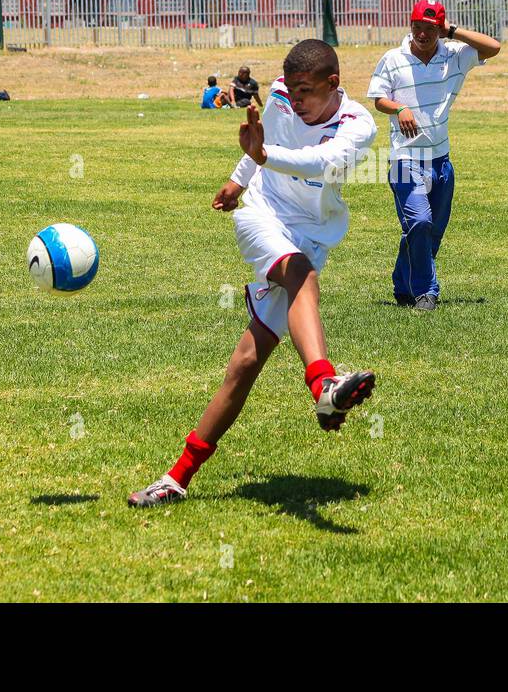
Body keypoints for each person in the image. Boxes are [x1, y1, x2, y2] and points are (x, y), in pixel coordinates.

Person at [128, 40, 378, 507]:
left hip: (313, 235)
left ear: (333, 84)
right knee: (300, 274)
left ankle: (176, 478)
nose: (296, 100)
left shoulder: (358, 126)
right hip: (261, 215)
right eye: (293, 90)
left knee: (246, 362)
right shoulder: (282, 94)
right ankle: (323, 383)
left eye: (307, 92)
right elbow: (264, 138)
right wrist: (242, 178)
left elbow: (318, 163)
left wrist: (262, 158)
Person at [367, 0, 501, 310]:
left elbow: (493, 47)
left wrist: (453, 32)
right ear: (410, 26)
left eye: (430, 29)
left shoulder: (454, 57)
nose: (422, 34)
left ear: (440, 30)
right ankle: (427, 292)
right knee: (420, 220)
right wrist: (399, 108)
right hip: (404, 159)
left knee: (430, 231)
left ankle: (403, 283)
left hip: (441, 159)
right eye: (417, 27)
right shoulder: (393, 58)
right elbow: (378, 99)